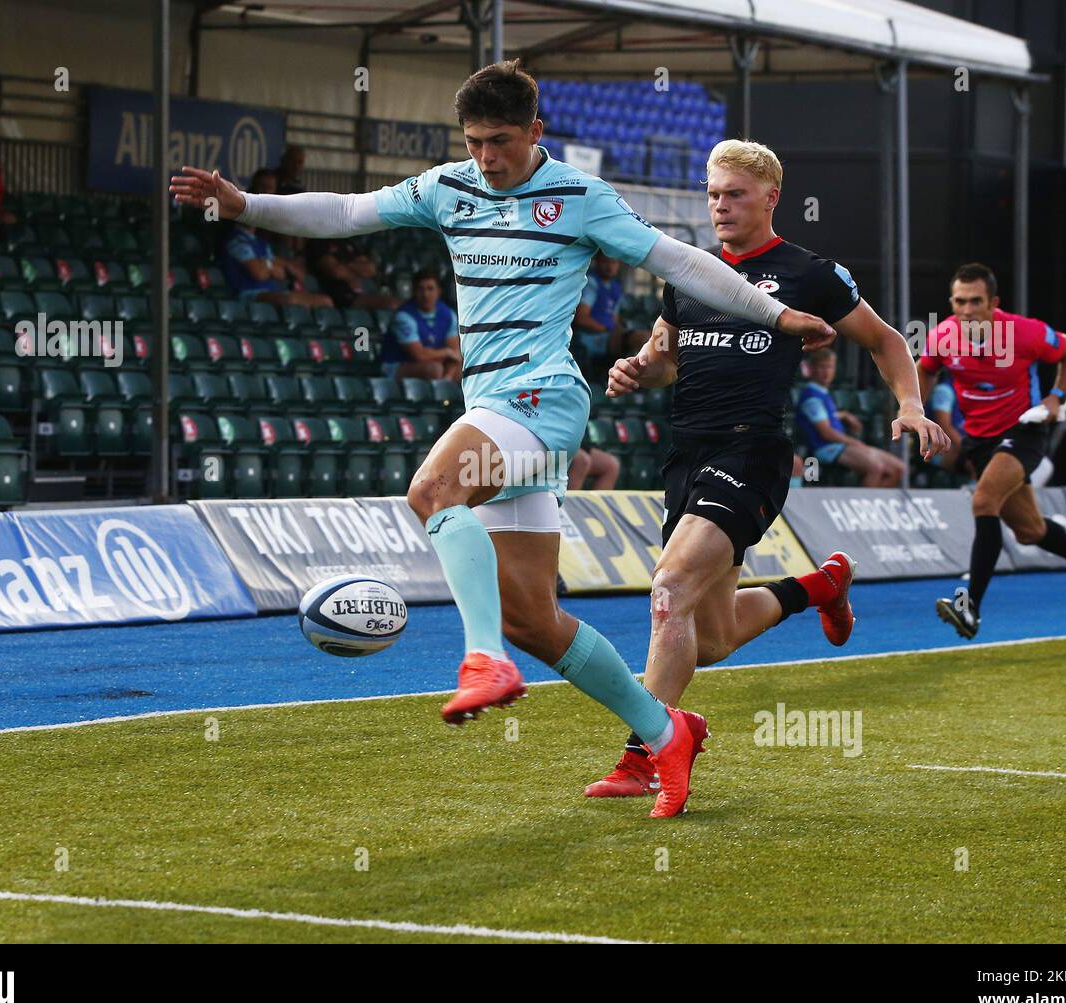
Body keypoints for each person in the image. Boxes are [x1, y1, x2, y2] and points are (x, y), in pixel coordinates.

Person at [172, 62, 837, 819]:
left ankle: (484, 660)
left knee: (432, 491)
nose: (487, 158)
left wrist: (775, 316)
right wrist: (243, 203)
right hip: (496, 407)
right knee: (534, 617)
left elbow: (679, 261)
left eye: (501, 143)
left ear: (536, 133)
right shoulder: (447, 187)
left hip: (545, 401)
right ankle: (665, 730)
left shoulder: (582, 199)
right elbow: (349, 212)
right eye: (475, 142)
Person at [590, 139, 949, 798]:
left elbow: (887, 340)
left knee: (668, 587)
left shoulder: (808, 273)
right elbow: (665, 356)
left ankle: (644, 755)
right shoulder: (688, 271)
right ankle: (819, 587)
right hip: (687, 452)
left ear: (770, 198)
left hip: (750, 450)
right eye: (713, 195)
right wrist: (637, 370)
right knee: (711, 635)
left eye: (735, 195)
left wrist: (908, 405)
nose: (720, 207)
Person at [919, 262, 1066, 639]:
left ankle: (969, 607)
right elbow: (925, 370)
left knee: (983, 501)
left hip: (1024, 432)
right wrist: (915, 413)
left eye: (976, 302)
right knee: (1029, 530)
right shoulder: (942, 336)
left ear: (994, 303)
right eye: (959, 301)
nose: (967, 310)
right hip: (979, 440)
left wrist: (1057, 397)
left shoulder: (1024, 332)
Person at [219, 169, 332, 308]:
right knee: (291, 300)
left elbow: (295, 273)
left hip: (272, 292)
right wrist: (271, 266)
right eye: (262, 187)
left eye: (270, 188)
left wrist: (270, 266)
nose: (266, 193)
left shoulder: (260, 241)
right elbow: (259, 273)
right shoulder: (236, 240)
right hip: (250, 296)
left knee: (325, 301)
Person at [796, 347, 906, 487]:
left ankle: (875, 504)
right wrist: (854, 443)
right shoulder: (811, 396)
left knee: (899, 468)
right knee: (876, 468)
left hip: (840, 446)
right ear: (811, 369)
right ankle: (864, 508)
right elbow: (826, 433)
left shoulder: (822, 392)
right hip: (826, 448)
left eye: (829, 367)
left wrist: (844, 415)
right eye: (822, 367)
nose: (826, 372)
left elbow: (826, 416)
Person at [381, 270, 462, 381]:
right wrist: (446, 353)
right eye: (420, 289)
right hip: (396, 365)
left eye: (430, 289)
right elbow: (419, 355)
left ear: (439, 291)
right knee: (434, 369)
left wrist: (448, 377)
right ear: (413, 291)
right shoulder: (404, 316)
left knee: (464, 369)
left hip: (436, 362)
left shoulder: (448, 315)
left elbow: (455, 354)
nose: (425, 294)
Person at [573, 254, 647, 368]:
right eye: (606, 262)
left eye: (614, 263)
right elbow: (581, 318)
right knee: (642, 339)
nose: (610, 266)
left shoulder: (615, 287)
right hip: (588, 338)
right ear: (597, 262)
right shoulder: (591, 282)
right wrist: (607, 330)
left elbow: (614, 318)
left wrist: (617, 331)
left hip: (608, 336)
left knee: (651, 336)